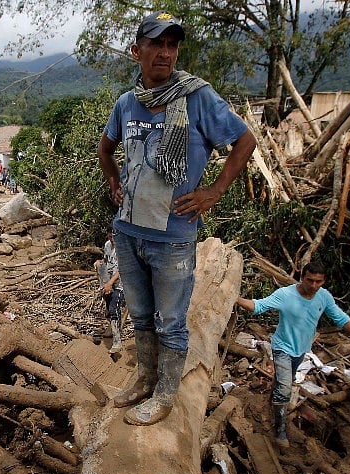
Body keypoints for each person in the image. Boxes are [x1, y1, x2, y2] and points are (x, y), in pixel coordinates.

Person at [98, 11, 257, 426]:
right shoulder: (126, 104)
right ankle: (144, 379)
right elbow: (106, 148)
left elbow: (244, 140)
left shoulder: (198, 97)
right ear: (137, 51)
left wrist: (214, 191)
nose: (165, 52)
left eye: (172, 44)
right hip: (128, 232)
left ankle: (166, 394)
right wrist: (115, 184)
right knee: (140, 314)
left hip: (172, 236)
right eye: (156, 44)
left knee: (171, 321)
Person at [236, 262, 350, 447]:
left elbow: (341, 319)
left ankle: (274, 401)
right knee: (286, 386)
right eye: (309, 280)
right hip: (282, 348)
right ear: (302, 277)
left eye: (318, 281)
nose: (313, 285)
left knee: (284, 383)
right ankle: (280, 430)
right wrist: (235, 298)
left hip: (301, 350)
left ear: (323, 281)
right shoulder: (285, 295)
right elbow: (258, 306)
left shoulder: (324, 297)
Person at [94, 231, 125, 354]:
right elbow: (106, 260)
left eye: (114, 235)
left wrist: (110, 283)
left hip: (120, 284)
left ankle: (117, 342)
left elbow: (122, 269)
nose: (112, 238)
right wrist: (99, 262)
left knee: (114, 309)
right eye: (110, 235)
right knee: (108, 307)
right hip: (108, 281)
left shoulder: (123, 247)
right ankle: (111, 329)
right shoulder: (107, 245)